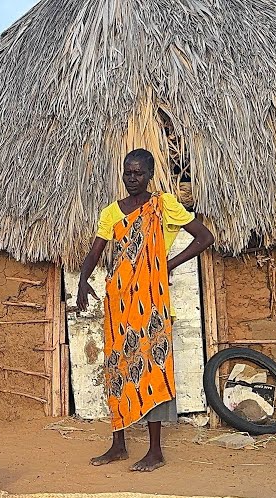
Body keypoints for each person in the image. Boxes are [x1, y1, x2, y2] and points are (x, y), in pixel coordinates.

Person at [75, 149, 216, 472]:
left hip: (151, 302)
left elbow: (204, 237)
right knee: (118, 368)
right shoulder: (111, 212)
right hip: (119, 301)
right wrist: (83, 280)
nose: (132, 179)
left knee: (153, 368)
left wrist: (166, 266)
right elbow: (95, 251)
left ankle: (155, 451)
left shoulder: (164, 206)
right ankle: (118, 445)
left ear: (150, 174)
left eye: (138, 173)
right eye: (127, 173)